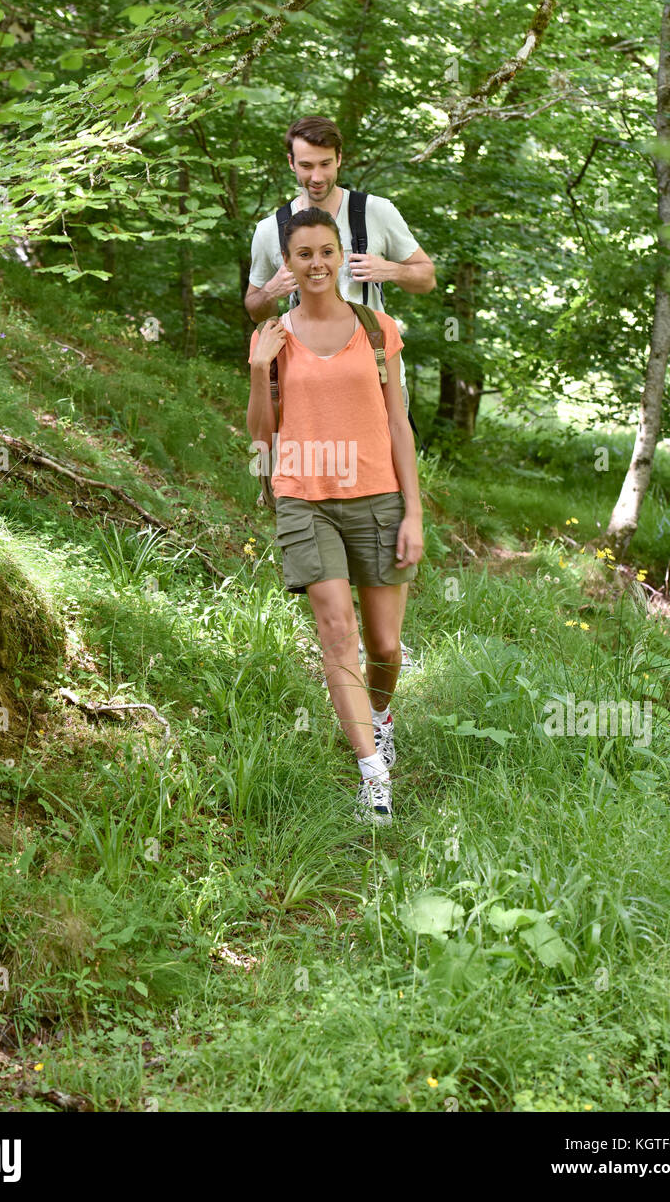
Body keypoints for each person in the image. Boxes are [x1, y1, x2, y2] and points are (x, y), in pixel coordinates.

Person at [247, 207, 425, 825]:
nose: (317, 263)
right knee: (337, 633)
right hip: (304, 497)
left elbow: (399, 425)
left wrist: (414, 513)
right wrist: (257, 369)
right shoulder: (272, 336)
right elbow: (261, 437)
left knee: (384, 645)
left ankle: (381, 717)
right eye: (304, 255)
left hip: (379, 497)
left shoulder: (378, 330)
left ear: (339, 257)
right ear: (287, 264)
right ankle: (372, 775)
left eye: (327, 252)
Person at [246, 114, 434, 679]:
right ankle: (358, 723)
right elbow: (253, 304)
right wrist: (273, 292)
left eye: (325, 164)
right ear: (291, 164)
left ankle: (378, 685)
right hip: (300, 384)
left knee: (383, 635)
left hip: (372, 379)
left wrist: (390, 270)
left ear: (339, 161)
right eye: (306, 165)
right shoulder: (271, 228)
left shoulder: (374, 213)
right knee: (335, 622)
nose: (316, 175)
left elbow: (425, 276)